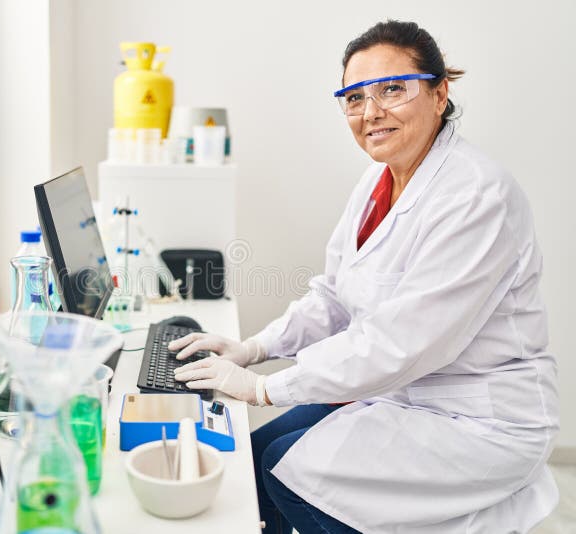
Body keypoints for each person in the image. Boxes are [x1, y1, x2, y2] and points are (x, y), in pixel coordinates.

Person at [170, 20, 559, 533]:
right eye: (354, 98)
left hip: (477, 416)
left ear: (440, 93)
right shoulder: (378, 181)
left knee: (288, 472)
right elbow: (334, 296)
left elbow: (405, 343)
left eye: (393, 89)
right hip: (404, 391)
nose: (371, 111)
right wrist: (253, 350)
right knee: (257, 455)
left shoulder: (476, 196)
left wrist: (265, 390)